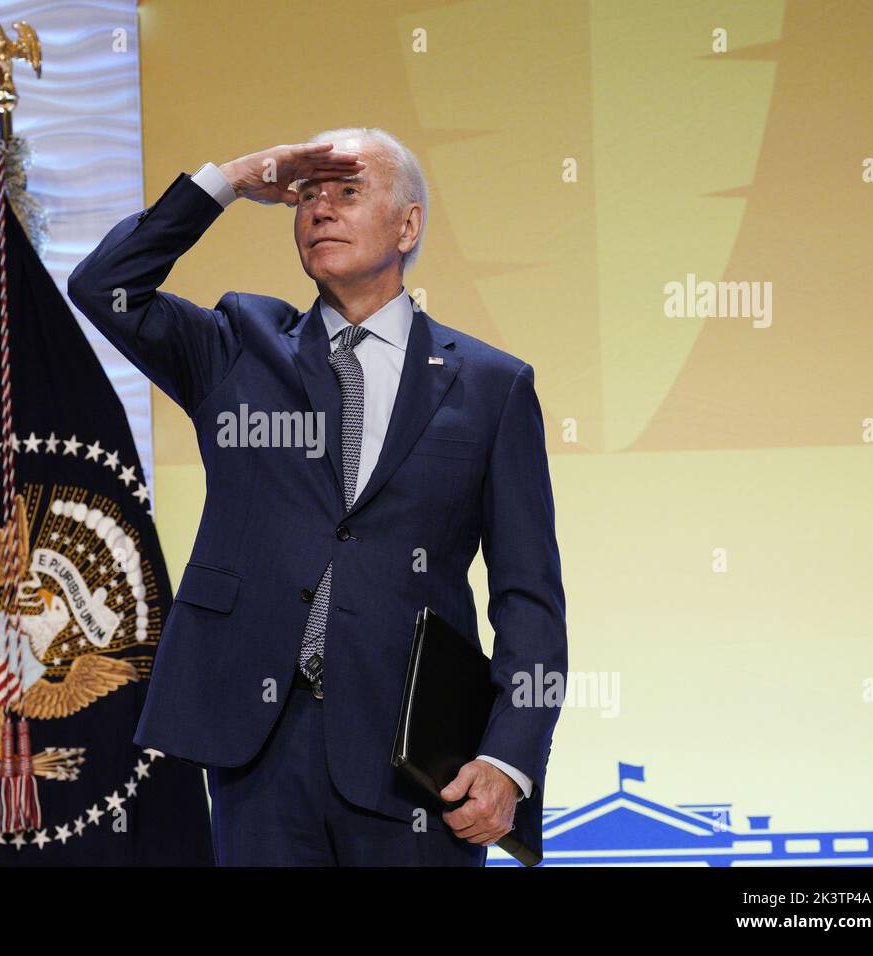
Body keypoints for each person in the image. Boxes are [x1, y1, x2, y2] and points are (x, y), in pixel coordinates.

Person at [67, 128, 566, 866]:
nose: (320, 211)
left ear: (408, 225)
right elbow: (102, 285)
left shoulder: (492, 387)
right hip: (258, 745)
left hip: (414, 756)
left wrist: (509, 760)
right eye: (306, 196)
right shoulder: (239, 344)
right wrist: (232, 179)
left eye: (347, 192)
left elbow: (529, 597)